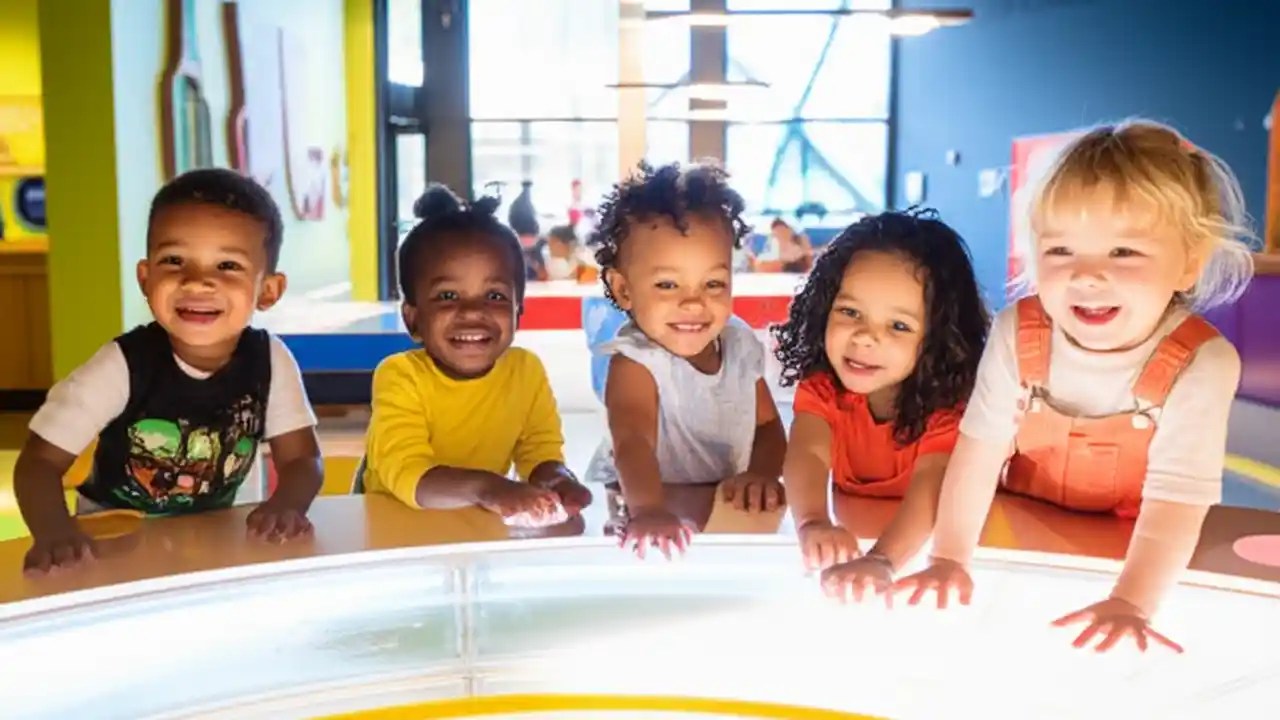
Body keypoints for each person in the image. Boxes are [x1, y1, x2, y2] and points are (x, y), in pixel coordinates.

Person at [894, 120, 1255, 653]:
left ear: (1190, 263)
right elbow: (978, 453)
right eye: (1061, 251)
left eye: (1124, 253)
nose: (1086, 276)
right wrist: (948, 557)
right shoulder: (1019, 330)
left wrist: (1132, 600)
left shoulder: (1203, 362)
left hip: (1133, 543)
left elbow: (1176, 499)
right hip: (1022, 524)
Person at [15, 168, 323, 574]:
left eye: (228, 265)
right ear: (146, 278)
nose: (197, 281)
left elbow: (304, 460)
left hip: (208, 538)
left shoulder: (270, 361)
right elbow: (38, 463)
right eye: (174, 260)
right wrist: (54, 532)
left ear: (267, 290)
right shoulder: (122, 365)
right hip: (111, 541)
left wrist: (286, 505)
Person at [772, 210, 989, 600]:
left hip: (937, 547)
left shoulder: (948, 407)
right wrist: (812, 522)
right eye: (850, 312)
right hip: (857, 519)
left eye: (899, 326)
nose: (865, 337)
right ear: (823, 308)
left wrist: (883, 560)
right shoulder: (823, 387)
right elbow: (808, 452)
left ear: (939, 338)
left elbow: (931, 486)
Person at [585, 161, 787, 559]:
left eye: (713, 283)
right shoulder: (637, 360)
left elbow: (768, 425)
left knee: (758, 520)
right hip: (644, 495)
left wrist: (761, 474)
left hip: (720, 491)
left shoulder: (740, 347)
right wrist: (648, 509)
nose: (693, 302)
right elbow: (633, 442)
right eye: (667, 284)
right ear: (624, 290)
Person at [362, 184, 592, 527]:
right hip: (395, 530)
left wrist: (557, 480)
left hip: (475, 528)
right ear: (413, 318)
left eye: (495, 296)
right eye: (448, 295)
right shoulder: (400, 376)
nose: (472, 311)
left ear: (519, 312)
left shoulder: (525, 370)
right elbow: (408, 472)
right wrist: (492, 488)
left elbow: (539, 451)